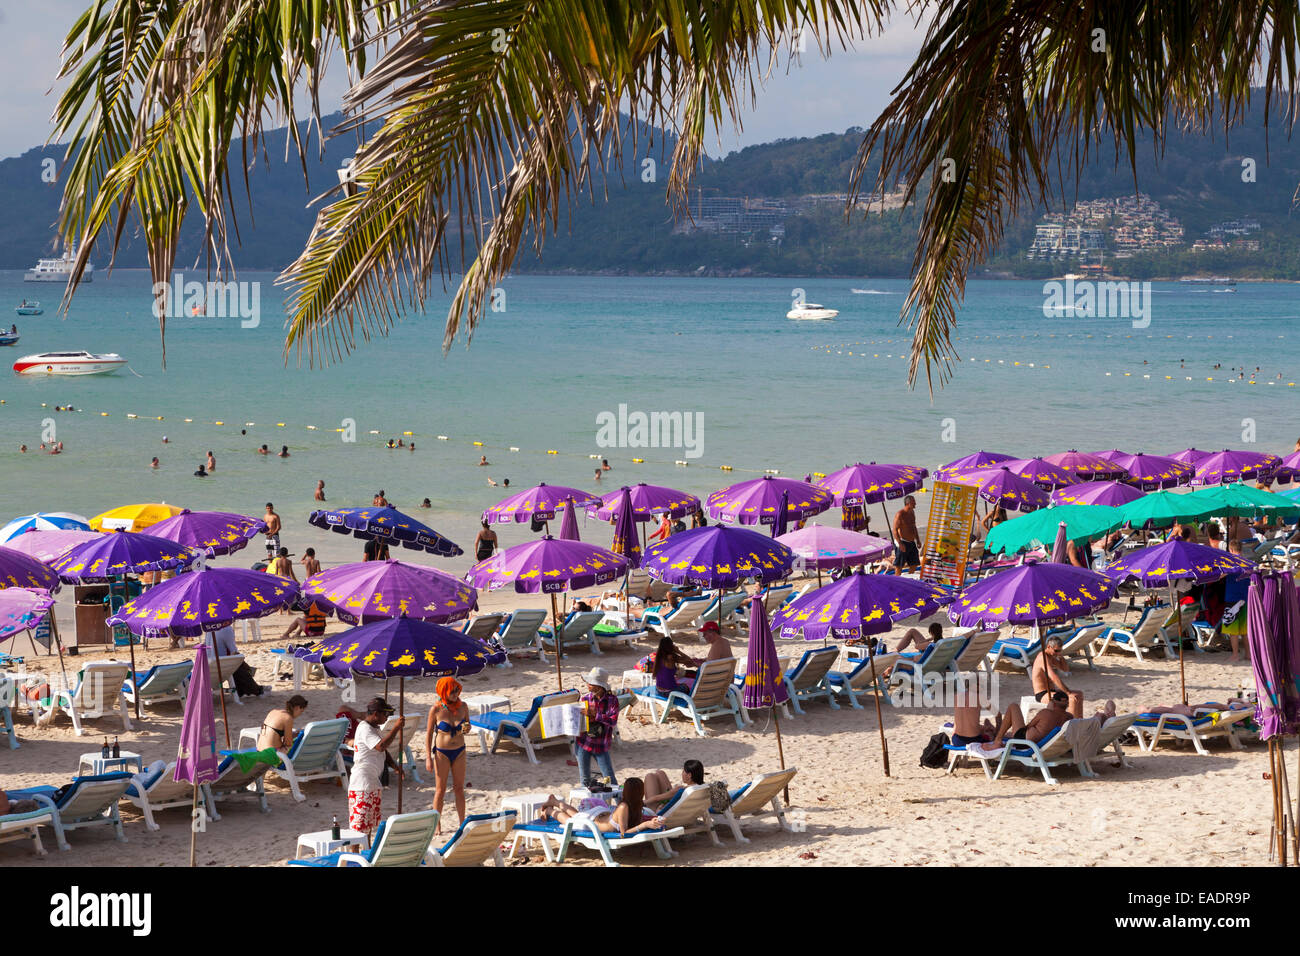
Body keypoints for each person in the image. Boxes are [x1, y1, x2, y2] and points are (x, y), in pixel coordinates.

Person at [350, 698, 404, 840]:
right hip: (362, 783)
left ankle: (366, 853)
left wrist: (395, 766)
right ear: (375, 714)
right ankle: (354, 856)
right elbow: (381, 746)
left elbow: (382, 752)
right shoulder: (365, 729)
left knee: (369, 825)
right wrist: (396, 728)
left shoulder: (375, 729)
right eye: (384, 714)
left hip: (373, 782)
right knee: (359, 826)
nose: (386, 717)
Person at [535, 778, 664, 836]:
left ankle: (556, 802)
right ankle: (550, 809)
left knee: (576, 815)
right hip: (594, 822)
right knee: (570, 820)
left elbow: (636, 821)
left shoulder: (634, 804)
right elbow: (624, 833)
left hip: (601, 815)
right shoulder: (624, 806)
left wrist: (651, 820)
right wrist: (645, 825)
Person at [424, 678, 469, 835]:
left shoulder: (463, 707)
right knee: (440, 790)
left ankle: (462, 823)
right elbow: (429, 734)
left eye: (457, 690)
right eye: (452, 692)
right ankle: (437, 824)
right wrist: (428, 757)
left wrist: (466, 728)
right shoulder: (435, 710)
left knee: (459, 788)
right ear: (444, 692)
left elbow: (467, 727)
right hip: (442, 753)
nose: (456, 694)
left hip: (460, 750)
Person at [575, 667, 620, 785]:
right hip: (583, 742)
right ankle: (587, 803)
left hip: (601, 744)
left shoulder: (612, 700)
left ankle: (620, 803)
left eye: (590, 683)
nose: (587, 684)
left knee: (610, 779)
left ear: (599, 686)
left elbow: (613, 721)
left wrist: (596, 715)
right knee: (585, 779)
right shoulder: (584, 699)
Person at [1031, 636, 1084, 717]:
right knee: (1072, 698)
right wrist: (1068, 692)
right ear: (1048, 647)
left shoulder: (1051, 656)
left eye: (1060, 650)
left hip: (1052, 691)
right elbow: (1053, 677)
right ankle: (1070, 725)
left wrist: (1060, 655)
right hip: (1042, 694)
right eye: (1056, 650)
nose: (1057, 653)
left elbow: (1065, 669)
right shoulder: (1043, 658)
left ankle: (1079, 721)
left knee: (1079, 694)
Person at [892, 496, 922, 570]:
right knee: (899, 566)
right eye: (914, 502)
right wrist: (900, 544)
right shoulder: (900, 514)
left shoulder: (912, 512)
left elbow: (914, 527)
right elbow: (894, 530)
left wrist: (918, 540)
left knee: (914, 564)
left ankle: (910, 578)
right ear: (908, 503)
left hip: (911, 542)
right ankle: (897, 580)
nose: (915, 503)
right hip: (902, 541)